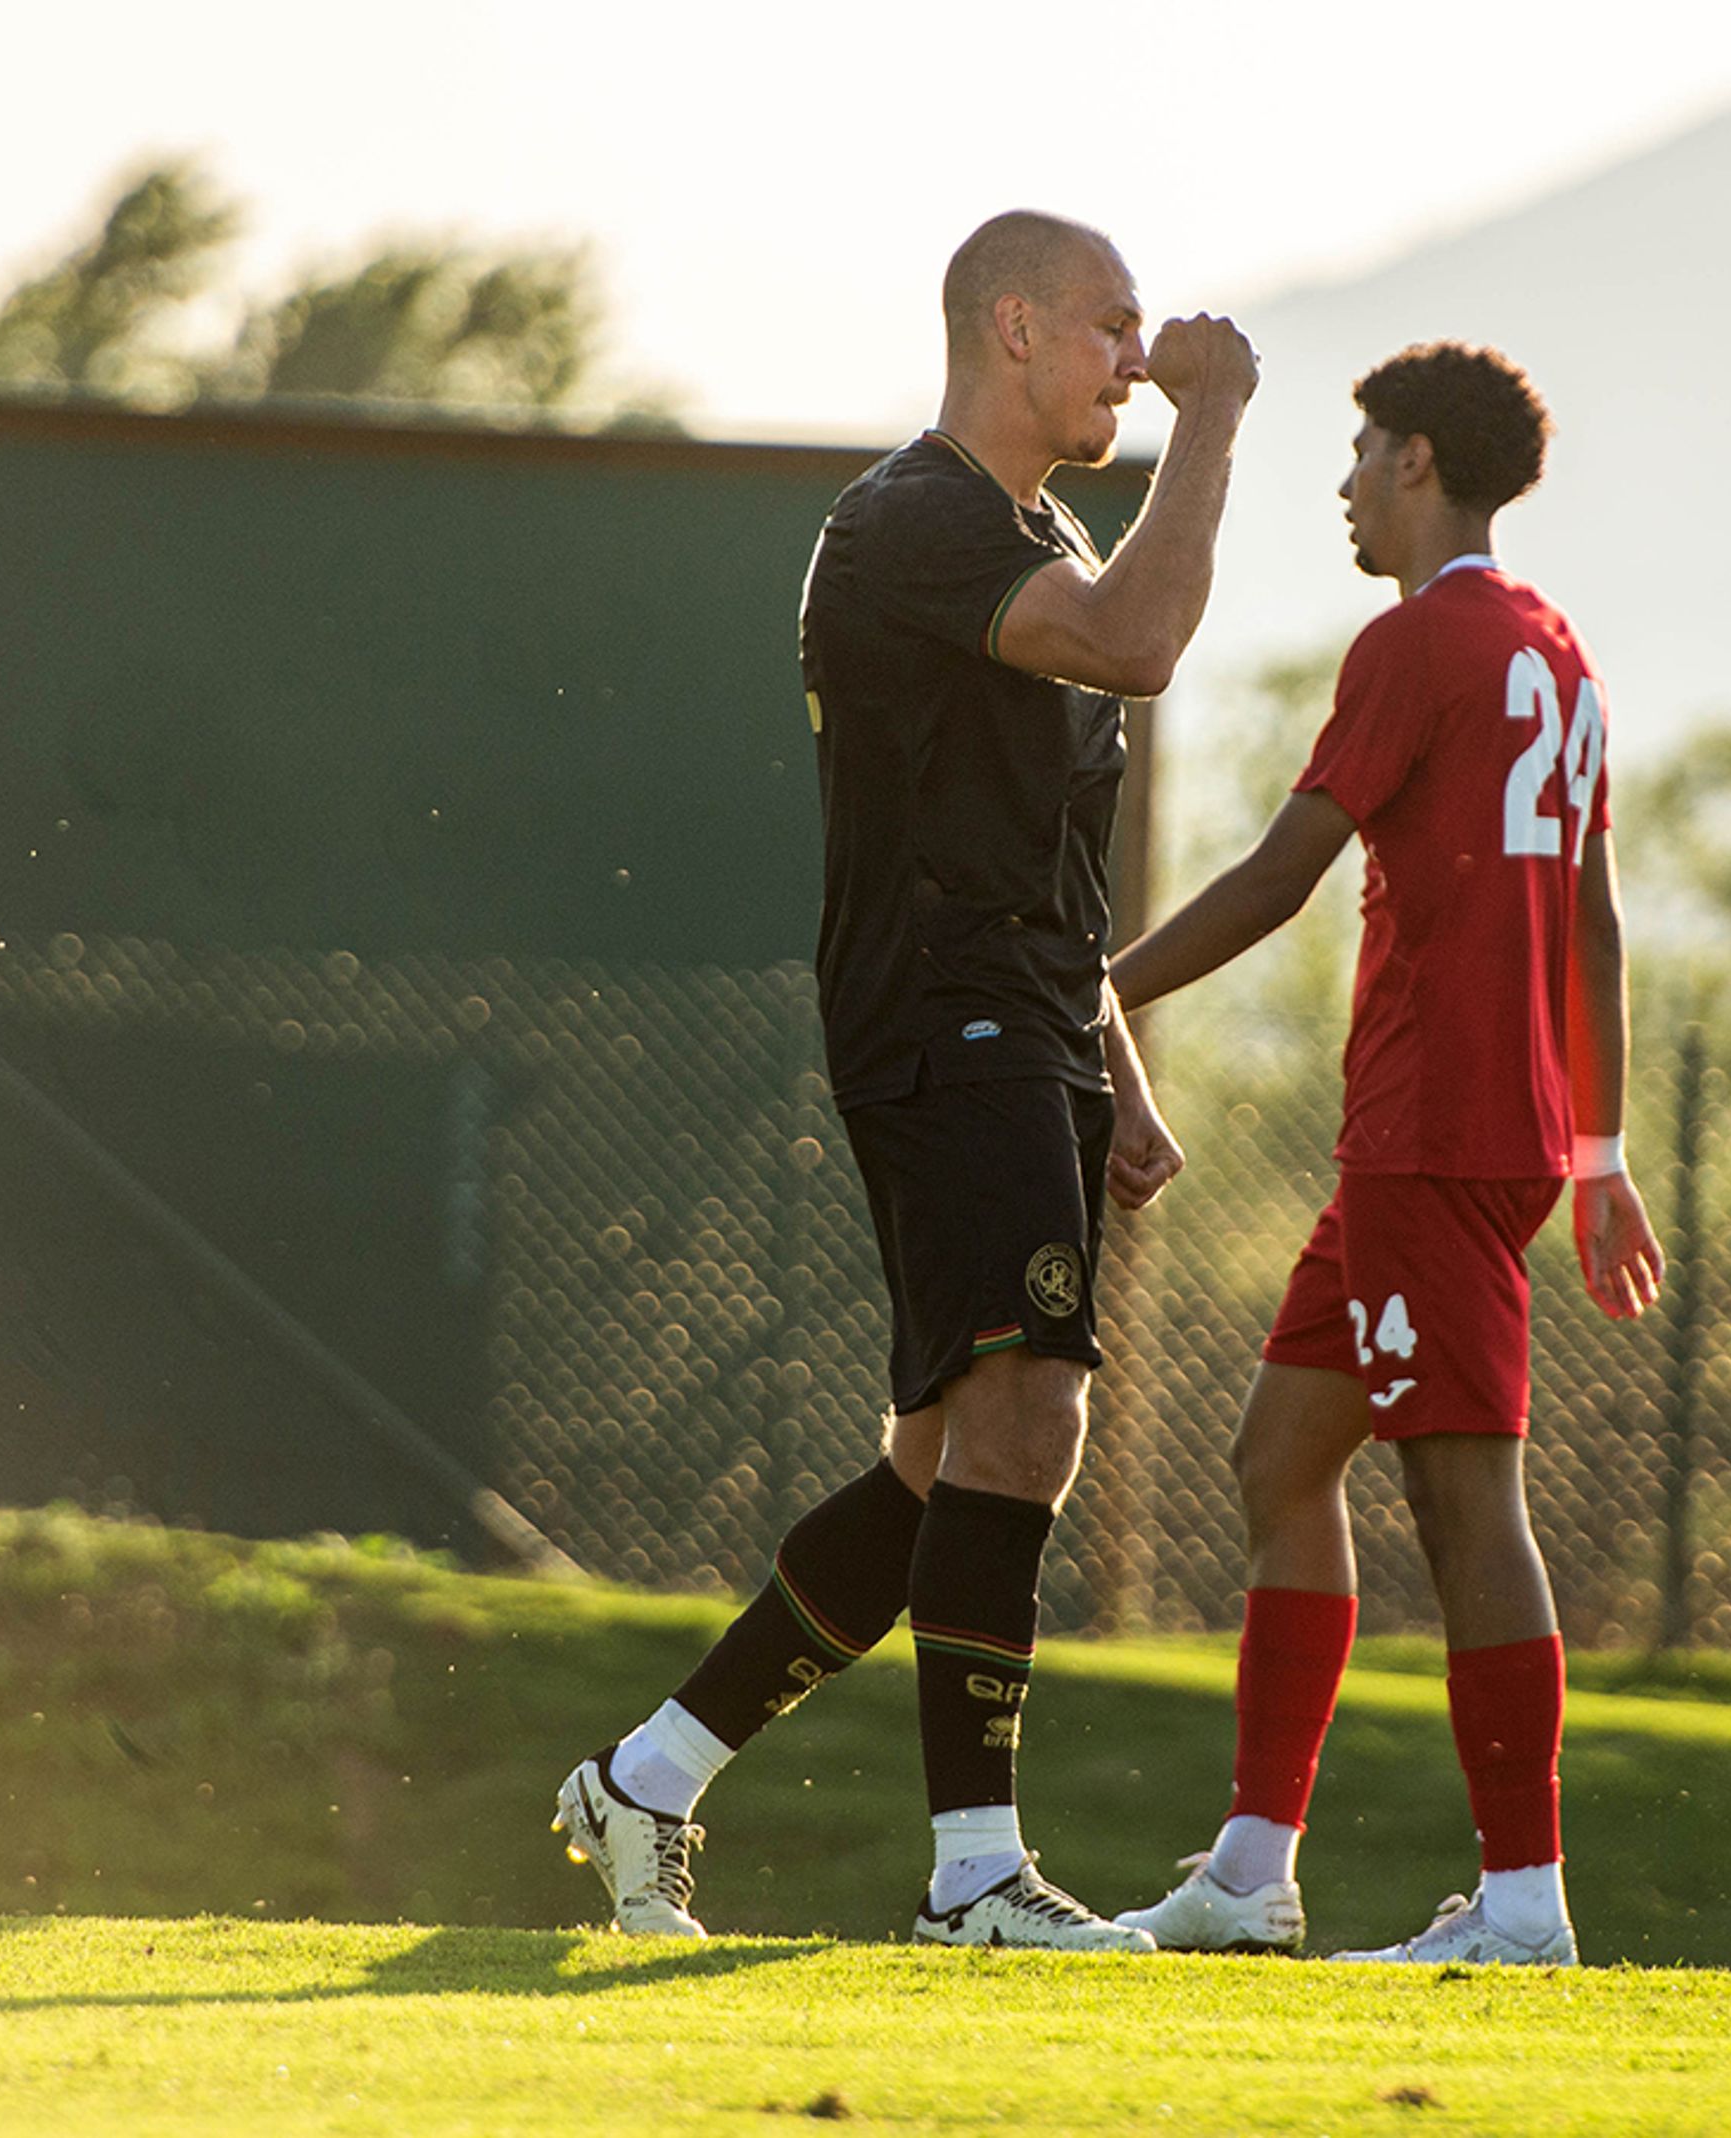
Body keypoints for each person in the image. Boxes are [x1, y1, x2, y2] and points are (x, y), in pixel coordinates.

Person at [550, 209, 1256, 1950]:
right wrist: (1219, 417)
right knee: (1033, 1416)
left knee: (942, 1468)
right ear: (1013, 328)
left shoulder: (1040, 533)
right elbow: (1140, 643)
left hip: (1028, 1025)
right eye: (1110, 326)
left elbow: (1052, 861)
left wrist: (1119, 1065)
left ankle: (648, 1774)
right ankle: (972, 1876)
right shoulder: (914, 517)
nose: (1137, 358)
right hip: (946, 1023)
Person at [1098, 342, 1664, 1966]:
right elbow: (1596, 924)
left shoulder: (1415, 642)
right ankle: (1251, 1870)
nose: (1343, 484)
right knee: (1281, 1458)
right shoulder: (1555, 649)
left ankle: (1524, 1900)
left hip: (1433, 1139)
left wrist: (1097, 987)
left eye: (1359, 453)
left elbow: (1281, 875)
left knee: (1466, 1501)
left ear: (1417, 462)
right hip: (1461, 1141)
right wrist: (1599, 1150)